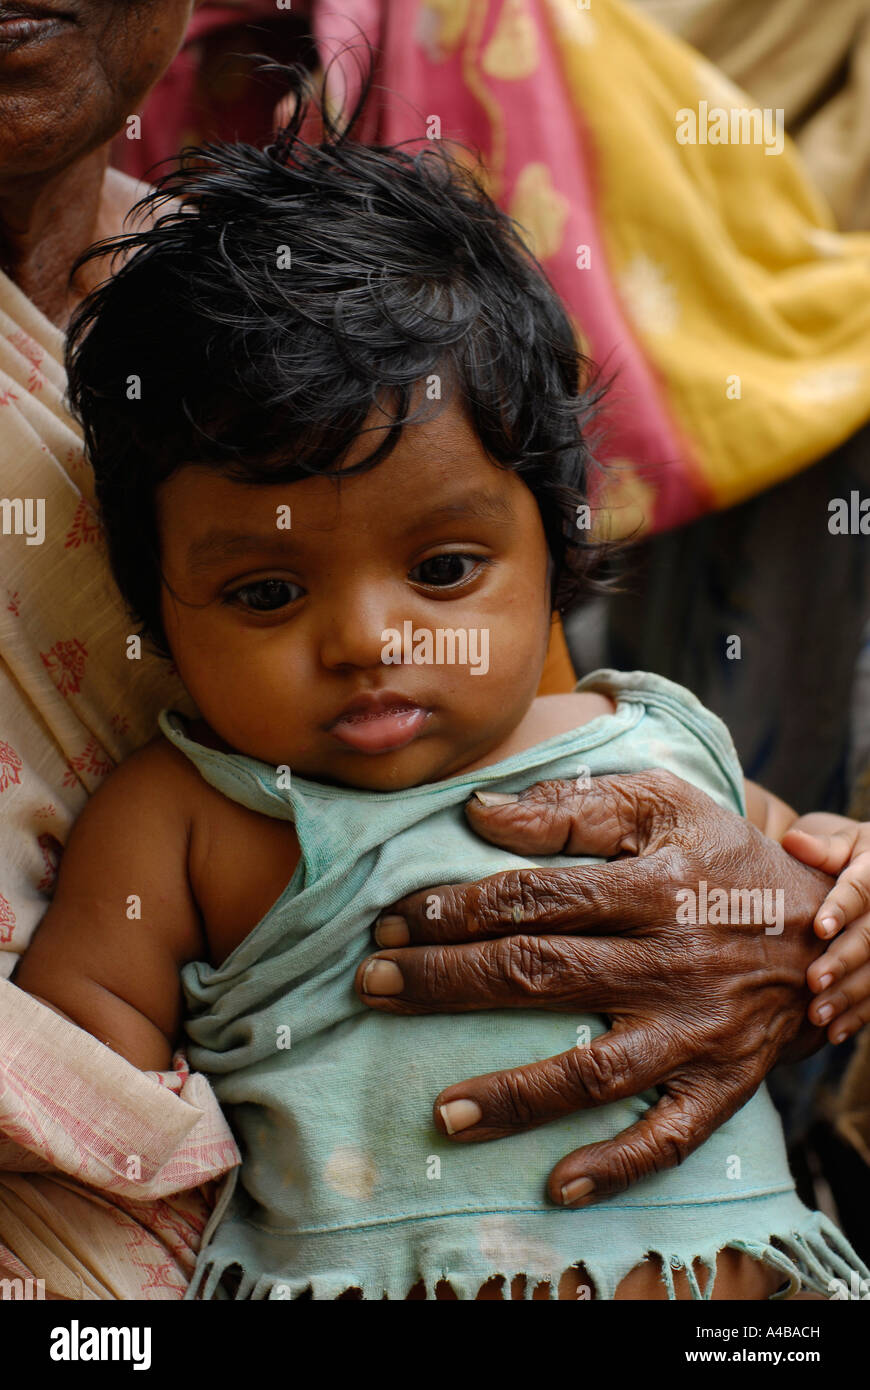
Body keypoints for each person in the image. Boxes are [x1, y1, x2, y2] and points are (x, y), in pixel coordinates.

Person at [0, 2, 857, 1297]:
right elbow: (77, 1089)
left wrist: (828, 917)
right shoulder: (190, 823)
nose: (367, 640)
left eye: (444, 571)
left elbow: (799, 887)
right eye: (270, 591)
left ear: (553, 556)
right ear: (147, 598)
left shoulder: (639, 734)